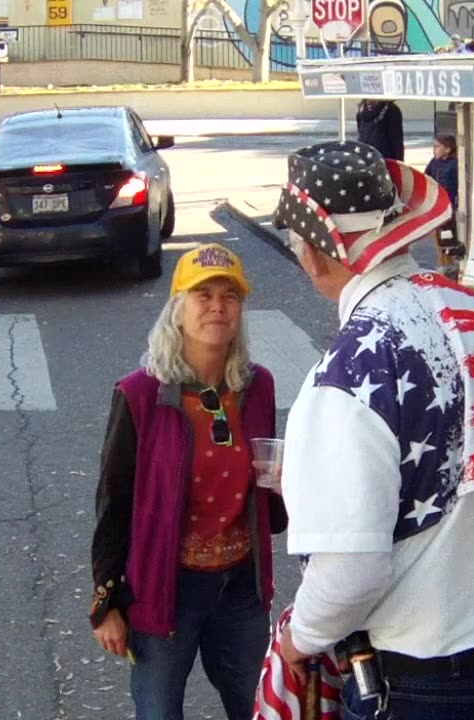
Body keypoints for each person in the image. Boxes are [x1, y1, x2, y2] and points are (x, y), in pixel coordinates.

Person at [270, 140, 474, 719]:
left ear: (312, 255)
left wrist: (298, 639)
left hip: (421, 684)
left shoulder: (350, 371)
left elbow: (350, 573)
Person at [90, 243, 287, 720]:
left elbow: (269, 502)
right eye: (203, 295)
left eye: (230, 296)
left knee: (259, 707)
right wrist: (106, 601)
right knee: (159, 712)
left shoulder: (256, 386)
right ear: (178, 309)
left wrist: (287, 485)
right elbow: (115, 502)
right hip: (165, 586)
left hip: (240, 586)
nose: (218, 307)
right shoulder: (140, 395)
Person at [425, 133, 462, 272]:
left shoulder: (454, 165)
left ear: (447, 149)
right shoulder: (434, 162)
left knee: (448, 235)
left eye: (437, 146)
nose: (434, 149)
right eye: (433, 146)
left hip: (449, 205)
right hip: (437, 204)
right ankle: (442, 261)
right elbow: (426, 177)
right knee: (437, 234)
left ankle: (451, 262)